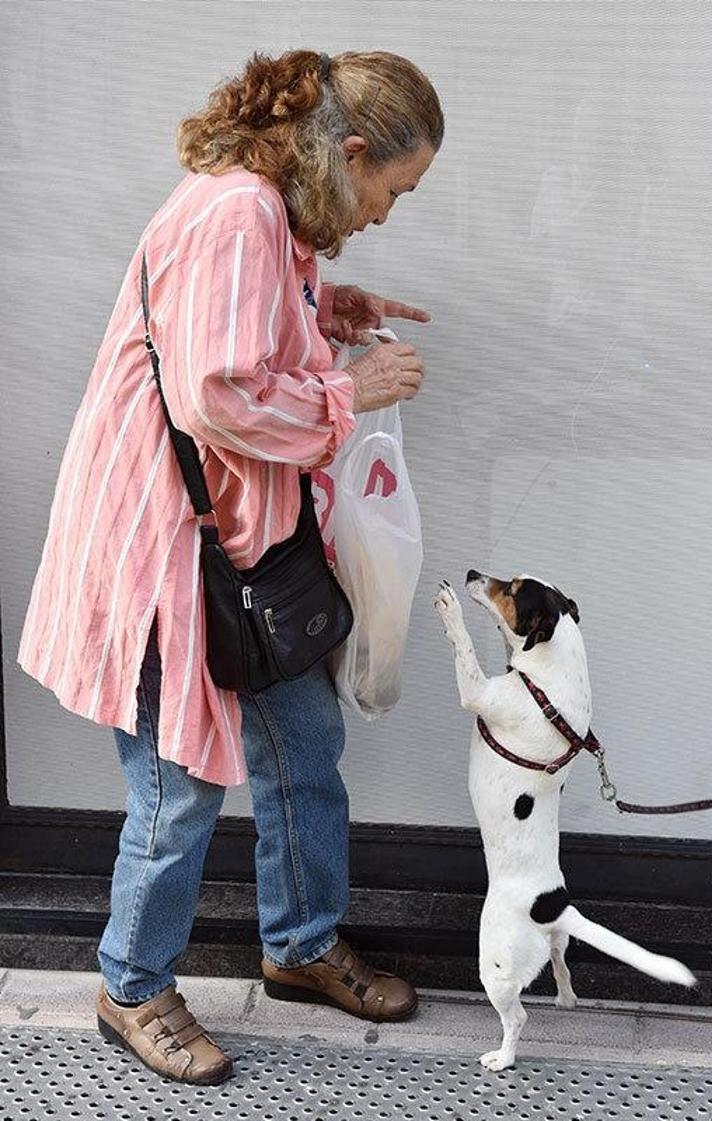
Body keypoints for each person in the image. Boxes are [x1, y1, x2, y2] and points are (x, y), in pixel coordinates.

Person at [17, 49, 443, 1084]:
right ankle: (131, 985)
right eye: (395, 187)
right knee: (178, 784)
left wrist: (321, 310)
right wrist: (352, 389)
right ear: (351, 153)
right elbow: (220, 395)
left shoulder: (271, 212)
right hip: (167, 547)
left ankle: (299, 944)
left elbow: (233, 332)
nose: (387, 211)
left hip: (242, 545)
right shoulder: (239, 212)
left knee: (305, 738)